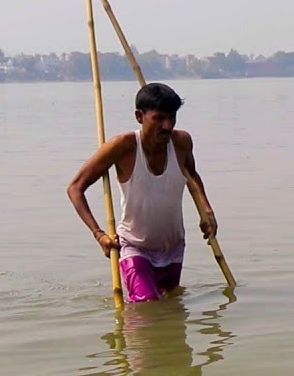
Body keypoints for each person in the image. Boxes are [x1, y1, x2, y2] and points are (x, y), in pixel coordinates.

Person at [68, 83, 218, 302]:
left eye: (172, 118)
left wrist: (207, 211)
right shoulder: (123, 146)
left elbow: (192, 175)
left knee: (170, 308)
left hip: (173, 246)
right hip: (135, 246)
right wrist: (99, 234)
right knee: (146, 304)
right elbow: (75, 188)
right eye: (158, 118)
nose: (167, 126)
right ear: (139, 116)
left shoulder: (181, 142)